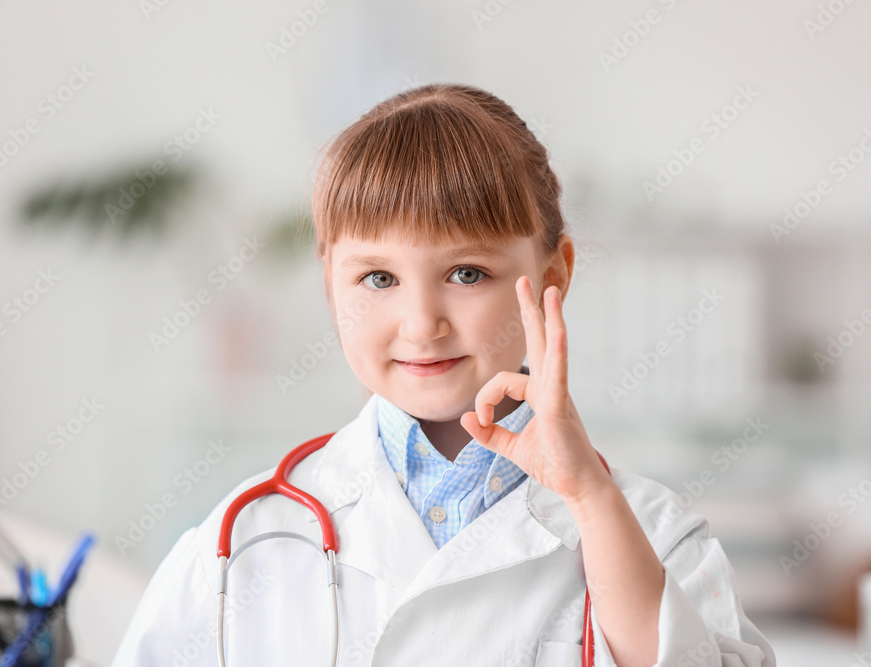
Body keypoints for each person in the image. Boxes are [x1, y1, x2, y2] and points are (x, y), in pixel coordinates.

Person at [111, 83, 775, 667]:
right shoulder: (244, 542)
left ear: (553, 275)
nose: (421, 322)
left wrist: (591, 499)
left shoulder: (651, 533)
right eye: (378, 277)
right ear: (330, 286)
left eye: (467, 274)